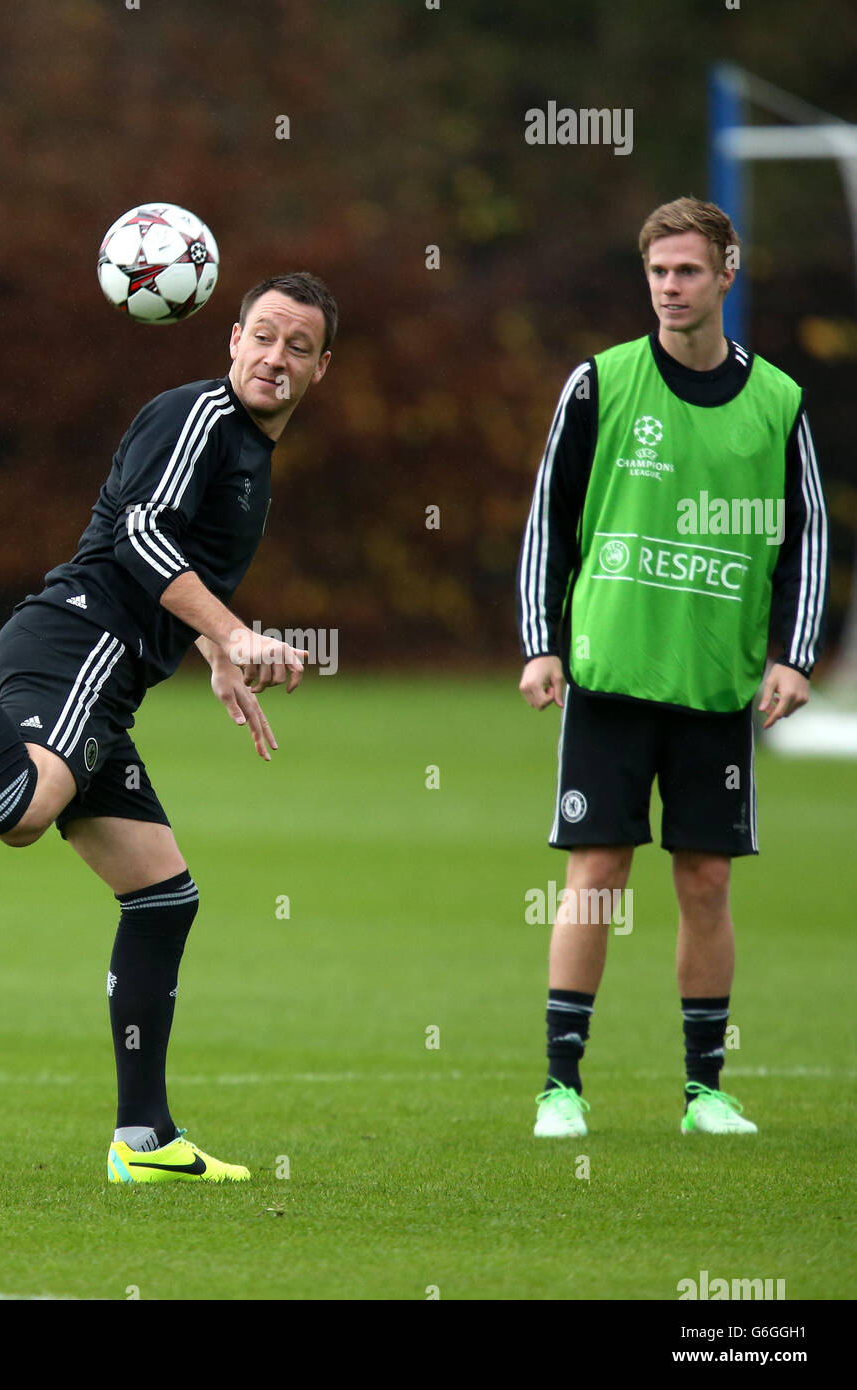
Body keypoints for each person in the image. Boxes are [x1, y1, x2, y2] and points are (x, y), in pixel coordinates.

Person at [0, 272, 336, 1181]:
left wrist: (214, 655)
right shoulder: (202, 417)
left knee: (164, 897)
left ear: (323, 367)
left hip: (108, 676)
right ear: (231, 340)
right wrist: (235, 634)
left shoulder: (249, 454)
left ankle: (146, 1143)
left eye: (298, 346)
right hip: (80, 640)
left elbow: (182, 553)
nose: (275, 358)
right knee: (19, 810)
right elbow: (138, 536)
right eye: (263, 336)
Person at [516, 198, 828, 1138]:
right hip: (610, 673)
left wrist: (793, 656)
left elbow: (806, 538)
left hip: (715, 684)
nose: (670, 288)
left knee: (705, 881)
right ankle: (561, 1087)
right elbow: (549, 523)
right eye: (658, 272)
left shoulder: (777, 402)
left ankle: (705, 1091)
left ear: (728, 272)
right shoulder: (601, 382)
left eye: (689, 270)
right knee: (598, 869)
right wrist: (542, 643)